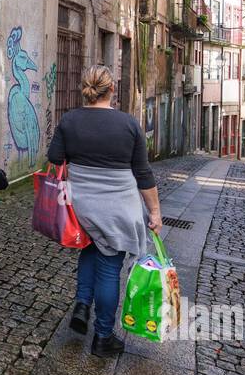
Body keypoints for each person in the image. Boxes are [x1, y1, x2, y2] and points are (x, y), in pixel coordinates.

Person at [47, 65, 162, 357]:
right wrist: (155, 213)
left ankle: (83, 306)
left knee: (89, 249)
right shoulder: (128, 124)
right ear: (112, 90)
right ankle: (102, 336)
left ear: (84, 89)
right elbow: (143, 174)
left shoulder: (69, 120)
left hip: (81, 207)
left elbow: (54, 158)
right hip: (118, 209)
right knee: (110, 267)